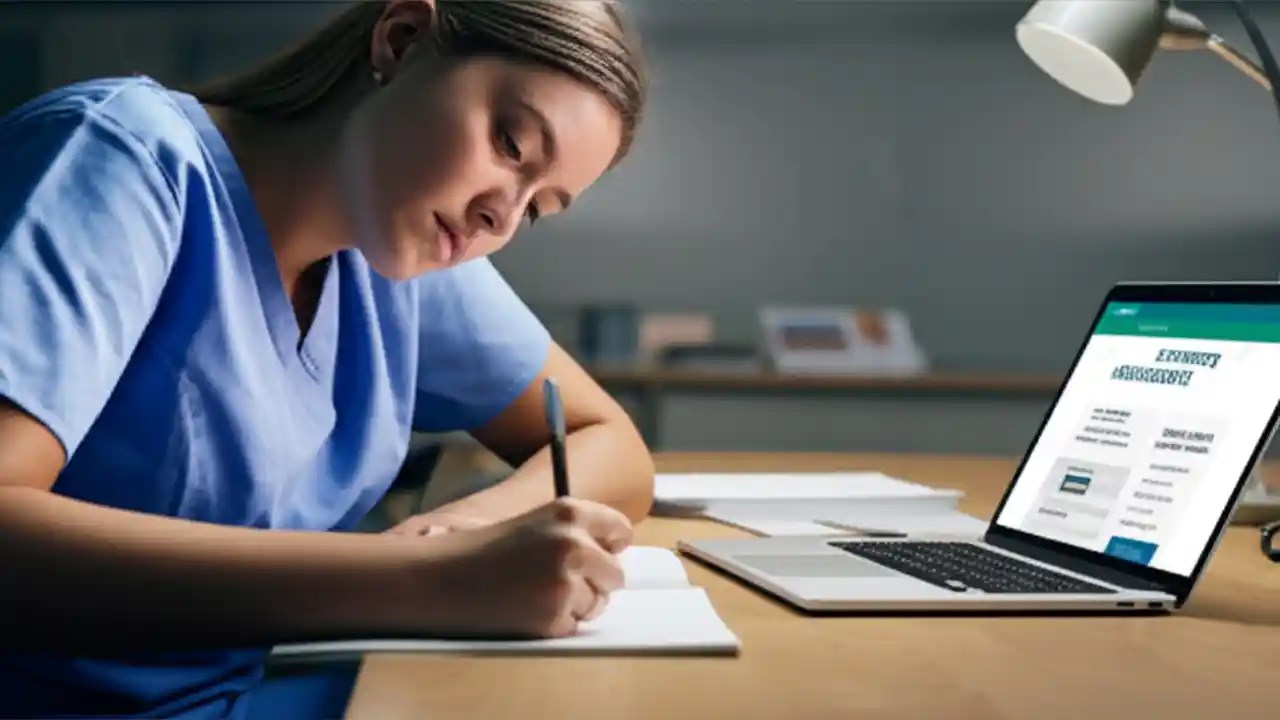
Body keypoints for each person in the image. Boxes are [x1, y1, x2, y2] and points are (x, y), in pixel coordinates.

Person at [0, 0, 652, 716]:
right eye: (509, 142)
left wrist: (465, 533)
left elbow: (610, 443)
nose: (500, 216)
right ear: (401, 41)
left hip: (264, 686)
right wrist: (428, 578)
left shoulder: (401, 257)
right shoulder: (122, 161)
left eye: (535, 209)